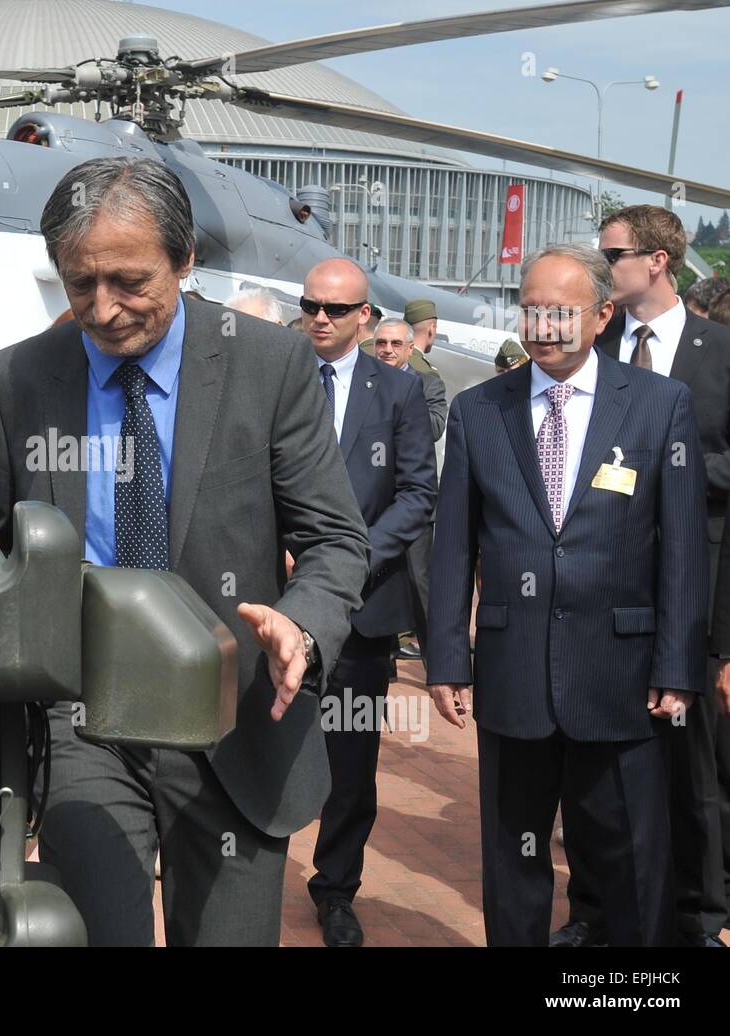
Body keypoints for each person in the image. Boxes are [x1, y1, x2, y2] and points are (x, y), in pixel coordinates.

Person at [0, 157, 370, 947]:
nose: (105, 309)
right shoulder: (16, 380)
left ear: (186, 262)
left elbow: (334, 539)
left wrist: (303, 626)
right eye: (81, 284)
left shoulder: (271, 364)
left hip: (236, 721)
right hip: (85, 725)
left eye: (130, 280)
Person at [429, 243, 707, 947]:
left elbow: (680, 547)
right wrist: (445, 661)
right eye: (531, 312)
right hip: (513, 672)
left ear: (602, 313)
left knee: (632, 859)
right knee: (512, 857)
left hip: (623, 676)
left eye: (561, 312)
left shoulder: (658, 405)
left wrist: (678, 668)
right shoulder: (477, 411)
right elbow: (454, 545)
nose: (544, 328)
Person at [560, 204, 730, 948]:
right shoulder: (593, 353)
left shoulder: (718, 352)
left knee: (692, 774)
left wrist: (676, 468)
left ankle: (694, 919)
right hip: (601, 595)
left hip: (695, 593)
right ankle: (595, 912)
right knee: (597, 768)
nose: (605, 268)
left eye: (614, 255)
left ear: (658, 260)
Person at [299, 261, 437, 946]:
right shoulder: (278, 376)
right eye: (310, 305)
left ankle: (335, 889)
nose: (320, 318)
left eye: (335, 308)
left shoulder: (401, 394)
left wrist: (354, 559)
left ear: (364, 318)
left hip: (361, 608)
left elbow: (417, 494)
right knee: (246, 746)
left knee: (349, 764)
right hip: (271, 598)